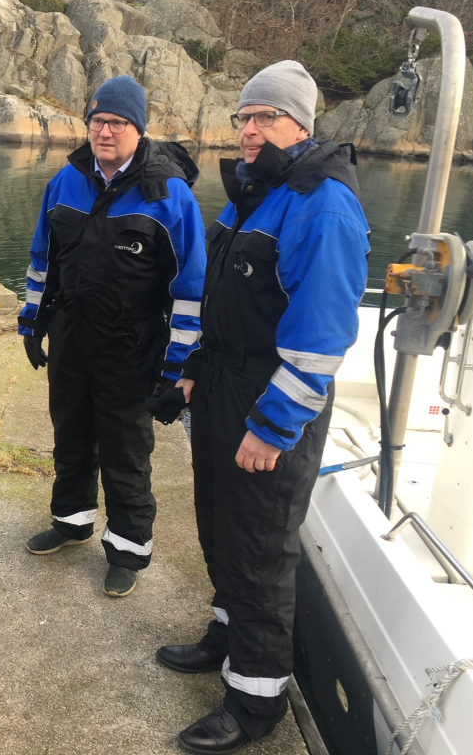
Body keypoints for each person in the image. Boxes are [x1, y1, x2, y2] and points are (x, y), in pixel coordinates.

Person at [156, 61, 370, 753]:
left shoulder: (323, 204)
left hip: (269, 403)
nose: (249, 129)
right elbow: (223, 298)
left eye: (265, 117)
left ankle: (255, 702)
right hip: (223, 387)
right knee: (219, 527)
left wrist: (273, 427)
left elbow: (322, 336)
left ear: (300, 125)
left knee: (261, 552)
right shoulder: (254, 192)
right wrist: (194, 370)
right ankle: (226, 637)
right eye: (244, 116)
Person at [18, 76, 207, 598]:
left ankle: (127, 549)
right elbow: (42, 259)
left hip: (132, 347)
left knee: (126, 451)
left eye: (117, 123)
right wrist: (32, 322)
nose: (105, 132)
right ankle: (71, 520)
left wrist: (177, 365)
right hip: (71, 338)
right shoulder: (66, 181)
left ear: (138, 129)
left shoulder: (169, 194)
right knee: (70, 434)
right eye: (97, 121)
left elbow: (190, 288)